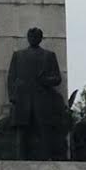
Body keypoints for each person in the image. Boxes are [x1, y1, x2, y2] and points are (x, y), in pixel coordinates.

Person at [7, 27, 66, 159]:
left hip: (42, 99)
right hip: (22, 99)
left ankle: (45, 157)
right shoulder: (18, 55)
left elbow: (57, 78)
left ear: (40, 38)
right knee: (21, 132)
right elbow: (11, 77)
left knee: (44, 130)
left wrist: (45, 81)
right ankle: (20, 159)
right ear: (28, 38)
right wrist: (12, 96)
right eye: (31, 36)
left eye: (36, 36)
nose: (33, 39)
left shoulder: (49, 55)